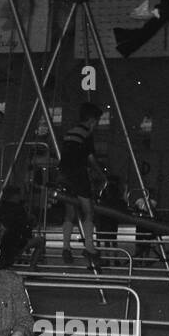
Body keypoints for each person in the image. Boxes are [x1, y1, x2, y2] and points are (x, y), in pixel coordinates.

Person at [58, 103, 104, 266]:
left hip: (64, 174)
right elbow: (90, 159)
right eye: (97, 121)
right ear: (92, 120)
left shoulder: (70, 133)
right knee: (88, 211)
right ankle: (89, 247)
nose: (97, 124)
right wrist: (102, 175)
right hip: (79, 174)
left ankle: (66, 247)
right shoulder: (87, 134)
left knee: (69, 212)